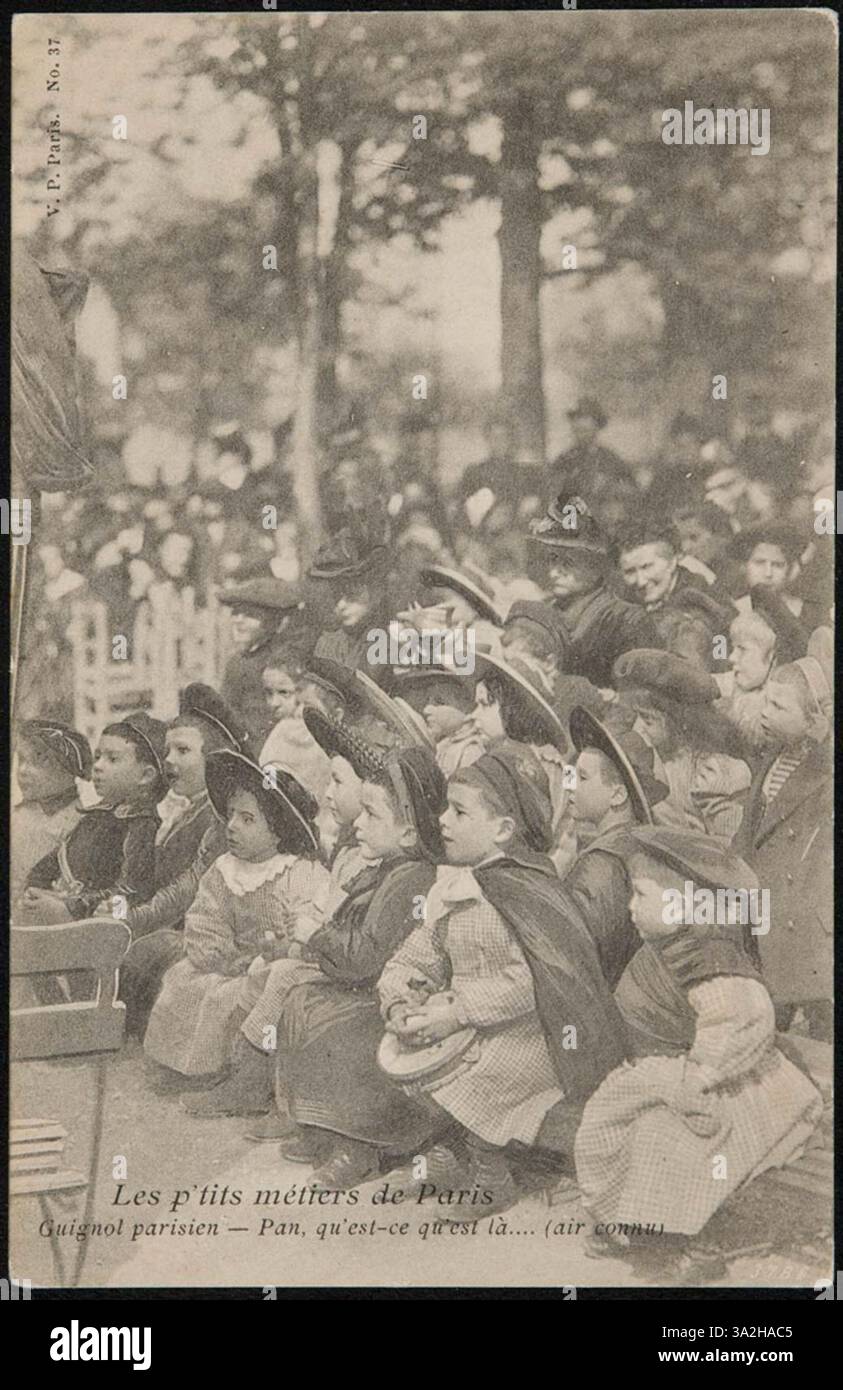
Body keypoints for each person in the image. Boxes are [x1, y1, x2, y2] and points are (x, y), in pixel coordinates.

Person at [378, 741, 628, 1217]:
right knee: (419, 1060)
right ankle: (455, 1153)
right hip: (468, 1022)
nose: (443, 822)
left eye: (458, 811)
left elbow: (530, 982)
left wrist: (458, 1010)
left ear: (503, 829)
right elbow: (416, 957)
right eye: (445, 810)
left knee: (481, 1071)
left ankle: (492, 1178)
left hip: (534, 1033)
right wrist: (400, 1000)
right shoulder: (453, 890)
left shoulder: (527, 890)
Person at [574, 827, 822, 1282]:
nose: (630, 908)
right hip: (680, 1074)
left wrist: (694, 1078)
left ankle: (689, 1240)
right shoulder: (666, 948)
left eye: (641, 895)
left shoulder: (711, 961)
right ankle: (629, 1221)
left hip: (741, 1087)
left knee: (670, 1139)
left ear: (683, 904)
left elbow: (739, 1025)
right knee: (617, 1118)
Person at [273, 730, 447, 1189]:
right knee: (301, 1000)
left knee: (341, 1025)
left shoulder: (410, 879)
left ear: (409, 830)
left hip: (392, 997)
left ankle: (361, 1143)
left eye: (372, 813)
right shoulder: (386, 869)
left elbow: (367, 959)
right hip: (366, 983)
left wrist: (318, 935)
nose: (360, 824)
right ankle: (323, 1125)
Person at [144, 751, 329, 1085]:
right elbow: (205, 917)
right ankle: (186, 1066)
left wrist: (281, 943)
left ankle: (225, 1072)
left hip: (267, 967)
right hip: (224, 961)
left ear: (277, 832)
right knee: (182, 980)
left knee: (224, 999)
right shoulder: (223, 869)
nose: (231, 826)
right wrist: (219, 955)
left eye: (247, 819)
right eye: (230, 815)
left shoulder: (298, 872)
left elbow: (308, 920)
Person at [117, 684, 250, 1040]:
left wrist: (130, 920)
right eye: (167, 751)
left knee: (143, 953)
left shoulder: (221, 819)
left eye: (183, 750)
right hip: (172, 922)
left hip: (205, 932)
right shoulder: (184, 811)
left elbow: (188, 889)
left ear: (215, 758)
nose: (169, 761)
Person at [734, 653, 833, 1040]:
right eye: (766, 701)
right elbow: (753, 828)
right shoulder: (774, 756)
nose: (766, 713)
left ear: (813, 719)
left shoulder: (824, 774)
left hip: (801, 922)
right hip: (766, 905)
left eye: (779, 706)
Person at [22, 712, 167, 924]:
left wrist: (72, 909)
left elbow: (133, 892)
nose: (98, 766)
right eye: (98, 756)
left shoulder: (141, 825)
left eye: (112, 759)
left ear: (145, 776)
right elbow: (54, 861)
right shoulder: (97, 815)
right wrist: (35, 889)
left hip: (93, 930)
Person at [563, 705, 670, 989]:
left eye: (583, 778)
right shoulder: (639, 843)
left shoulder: (601, 863)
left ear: (618, 794)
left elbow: (574, 955)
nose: (570, 786)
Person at [613, 649, 751, 840]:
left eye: (647, 719)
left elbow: (733, 849)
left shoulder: (708, 772)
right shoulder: (645, 759)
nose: (638, 728)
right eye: (633, 717)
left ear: (678, 720)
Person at [526, 495, 658, 687]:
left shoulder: (626, 621)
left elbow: (640, 696)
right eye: (552, 560)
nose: (554, 572)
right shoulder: (542, 613)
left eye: (568, 563)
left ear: (596, 566)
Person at [715, 587, 809, 754]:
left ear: (773, 656)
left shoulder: (787, 722)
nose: (732, 658)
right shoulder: (730, 694)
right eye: (733, 648)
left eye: (742, 649)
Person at [12, 720, 91, 909]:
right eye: (21, 760)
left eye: (40, 761)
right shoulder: (16, 815)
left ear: (69, 768)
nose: (22, 771)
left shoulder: (80, 823)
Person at [218, 578, 307, 743]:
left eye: (250, 614)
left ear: (277, 621)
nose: (238, 620)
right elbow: (226, 716)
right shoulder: (238, 662)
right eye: (235, 612)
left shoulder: (286, 662)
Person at [547, 399, 639, 538]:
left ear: (597, 427)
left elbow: (631, 492)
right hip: (570, 526)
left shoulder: (611, 460)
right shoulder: (563, 460)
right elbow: (552, 493)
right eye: (577, 428)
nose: (581, 432)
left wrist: (614, 501)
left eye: (586, 428)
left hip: (605, 526)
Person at [308, 529, 394, 671]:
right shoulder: (329, 644)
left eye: (352, 595)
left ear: (377, 592)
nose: (341, 604)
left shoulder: (396, 641)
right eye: (336, 595)